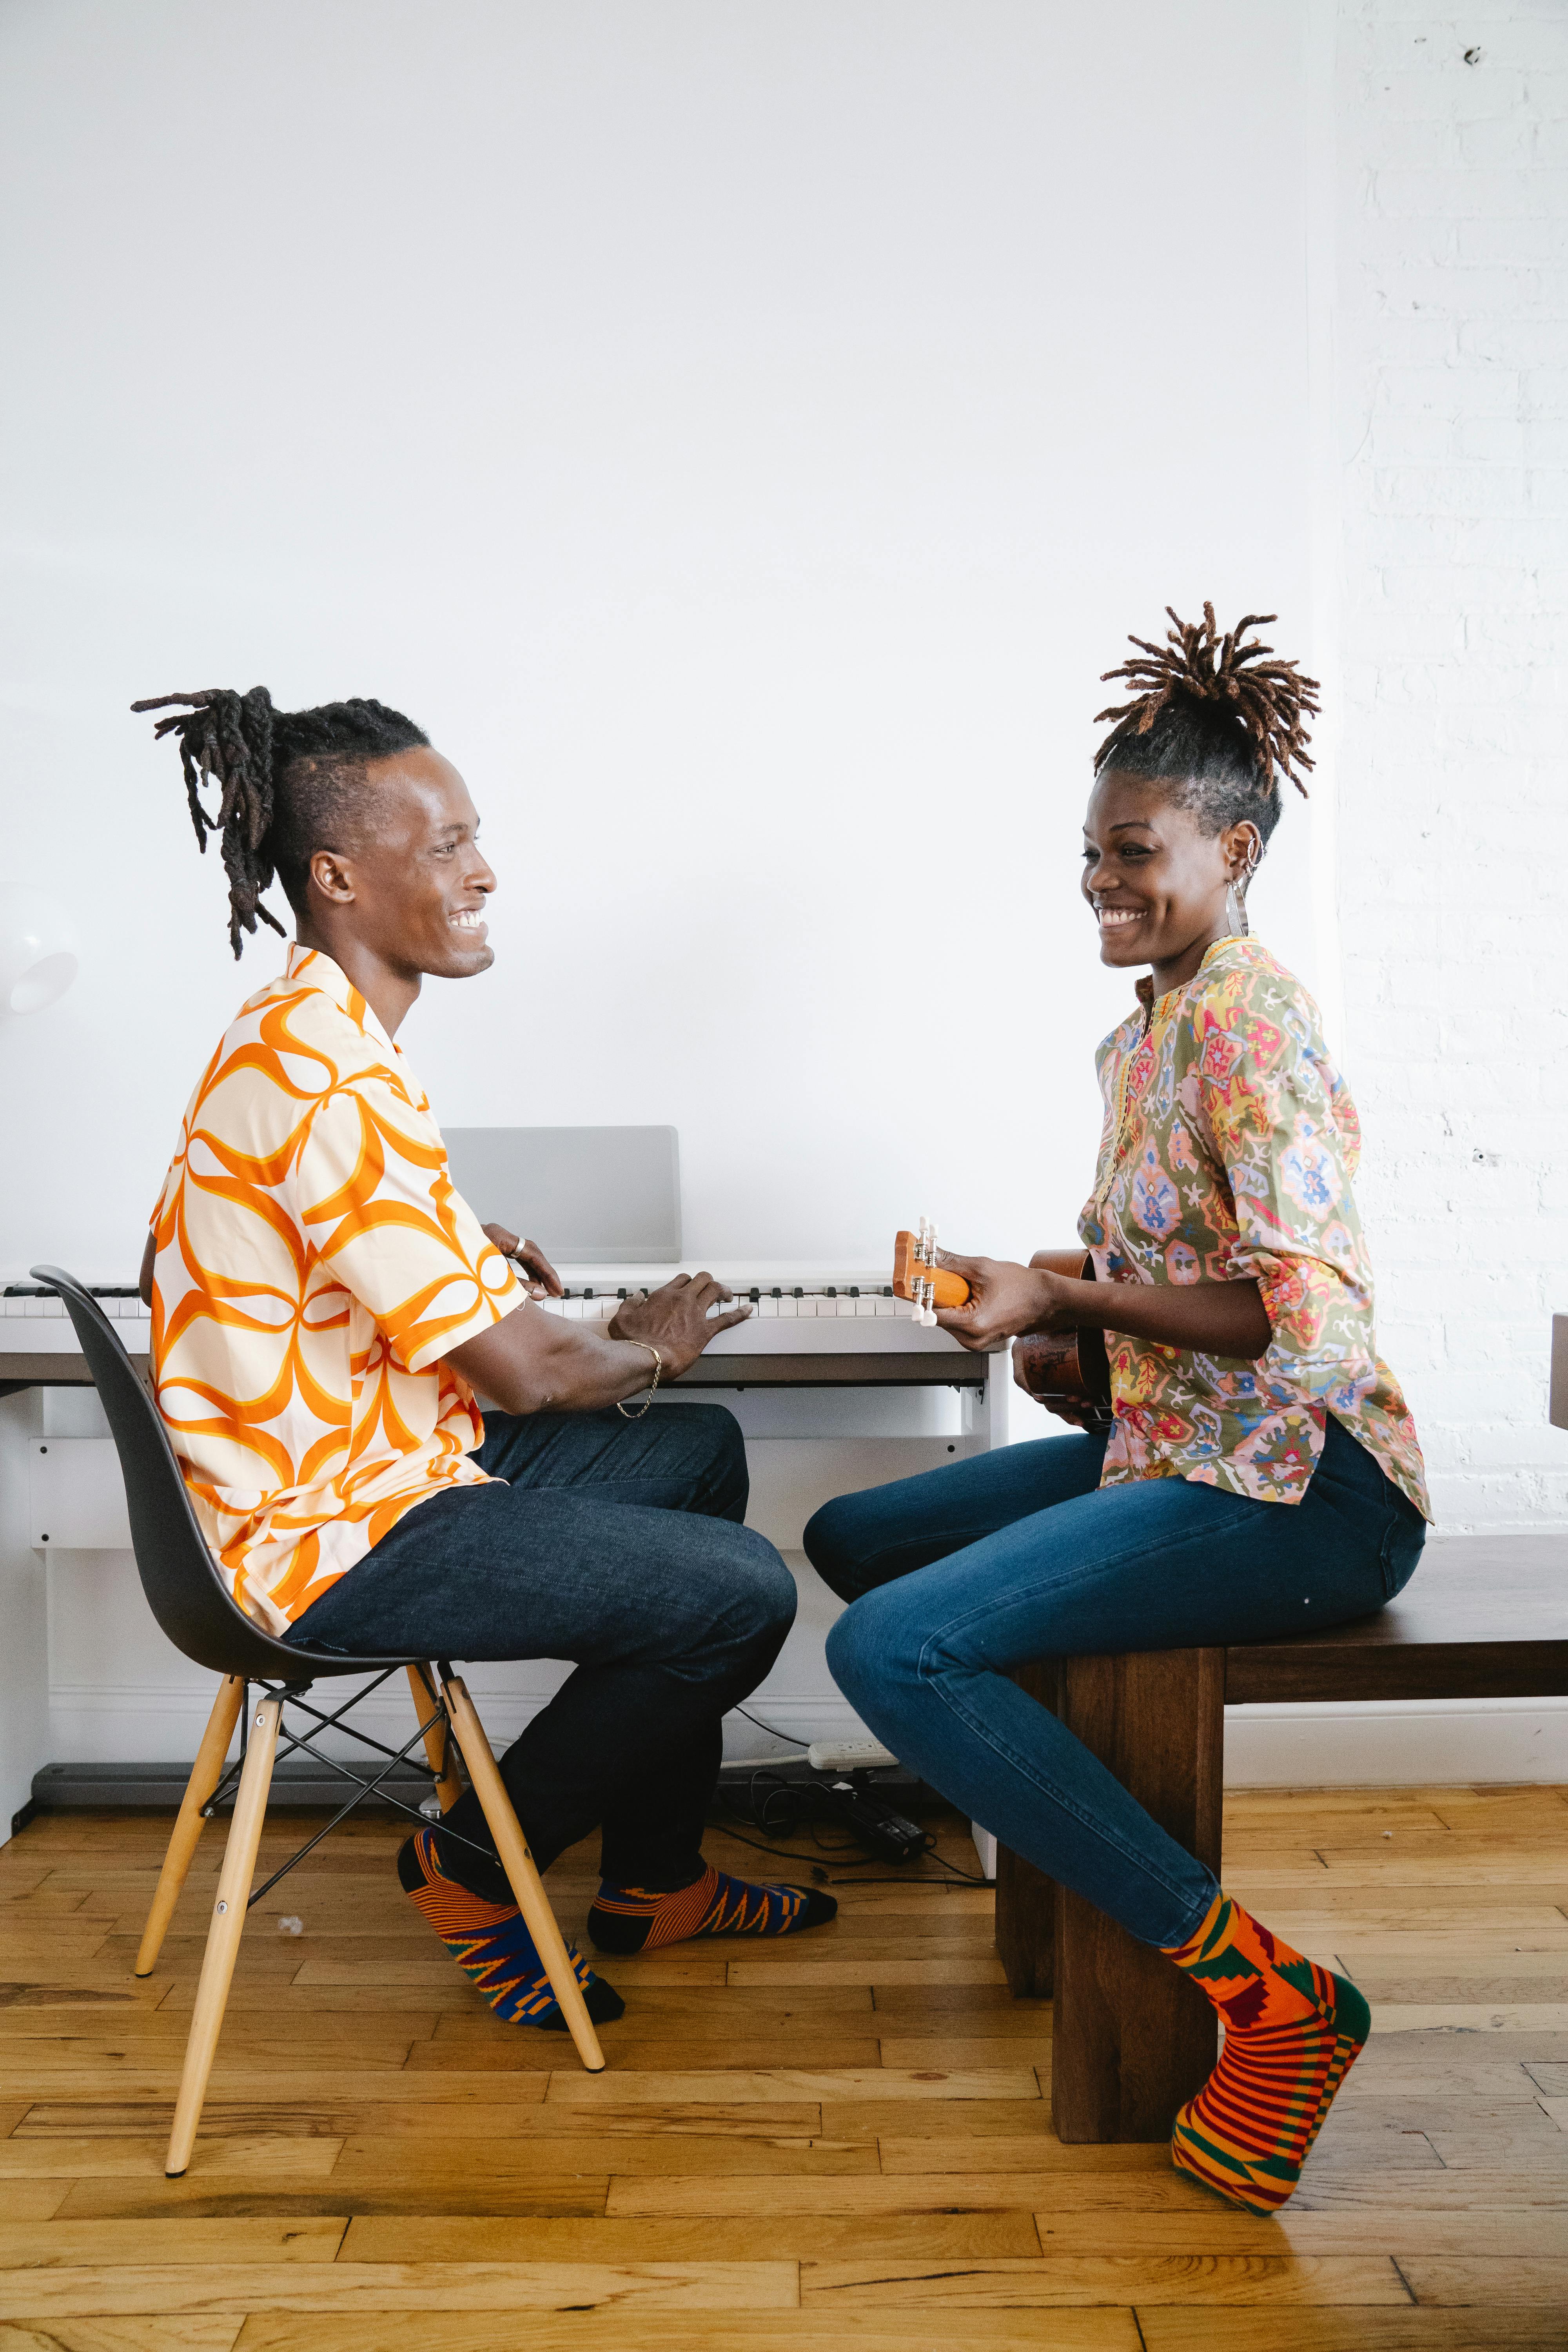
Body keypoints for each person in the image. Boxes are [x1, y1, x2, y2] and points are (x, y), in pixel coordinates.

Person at [805, 606, 1429, 2212]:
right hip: (1185, 1442)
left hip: (1309, 1488)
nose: (1099, 881)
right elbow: (1174, 1279)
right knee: (856, 1539)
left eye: (1132, 851)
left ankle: (1264, 1996)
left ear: (1230, 848)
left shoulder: (1249, 1021)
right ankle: (1068, 1868)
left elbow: (1306, 1316)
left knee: (892, 1650)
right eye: (1088, 853)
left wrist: (1075, 1301)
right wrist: (1054, 1324)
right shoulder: (1141, 1031)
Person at [134, 686, 833, 2037]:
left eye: (476, 836)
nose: (483, 870)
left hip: (373, 1460)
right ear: (338, 876)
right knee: (741, 1593)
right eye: (446, 843)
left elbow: (331, 1246)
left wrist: (466, 1244)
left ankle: (655, 1878)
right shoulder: (325, 1073)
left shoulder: (320, 1035)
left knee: (702, 1456)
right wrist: (651, 1344)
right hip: (326, 1532)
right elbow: (520, 1378)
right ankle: (464, 1866)